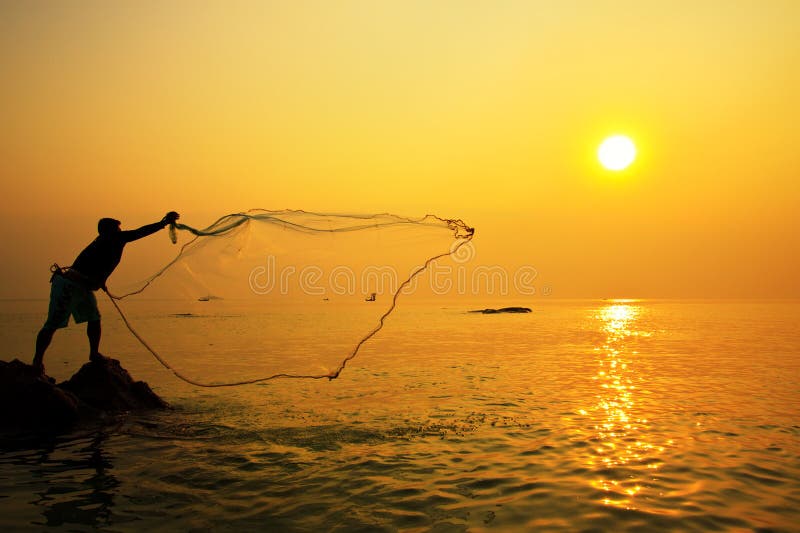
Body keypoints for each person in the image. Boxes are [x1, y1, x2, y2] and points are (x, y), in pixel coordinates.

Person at [32, 211, 180, 375]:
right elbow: (140, 232)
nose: (120, 231)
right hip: (69, 286)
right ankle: (37, 361)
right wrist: (163, 222)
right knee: (52, 324)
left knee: (94, 319)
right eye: (117, 228)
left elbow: (97, 263)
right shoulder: (113, 239)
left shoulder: (106, 241)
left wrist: (100, 280)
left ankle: (94, 354)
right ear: (109, 230)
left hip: (83, 287)